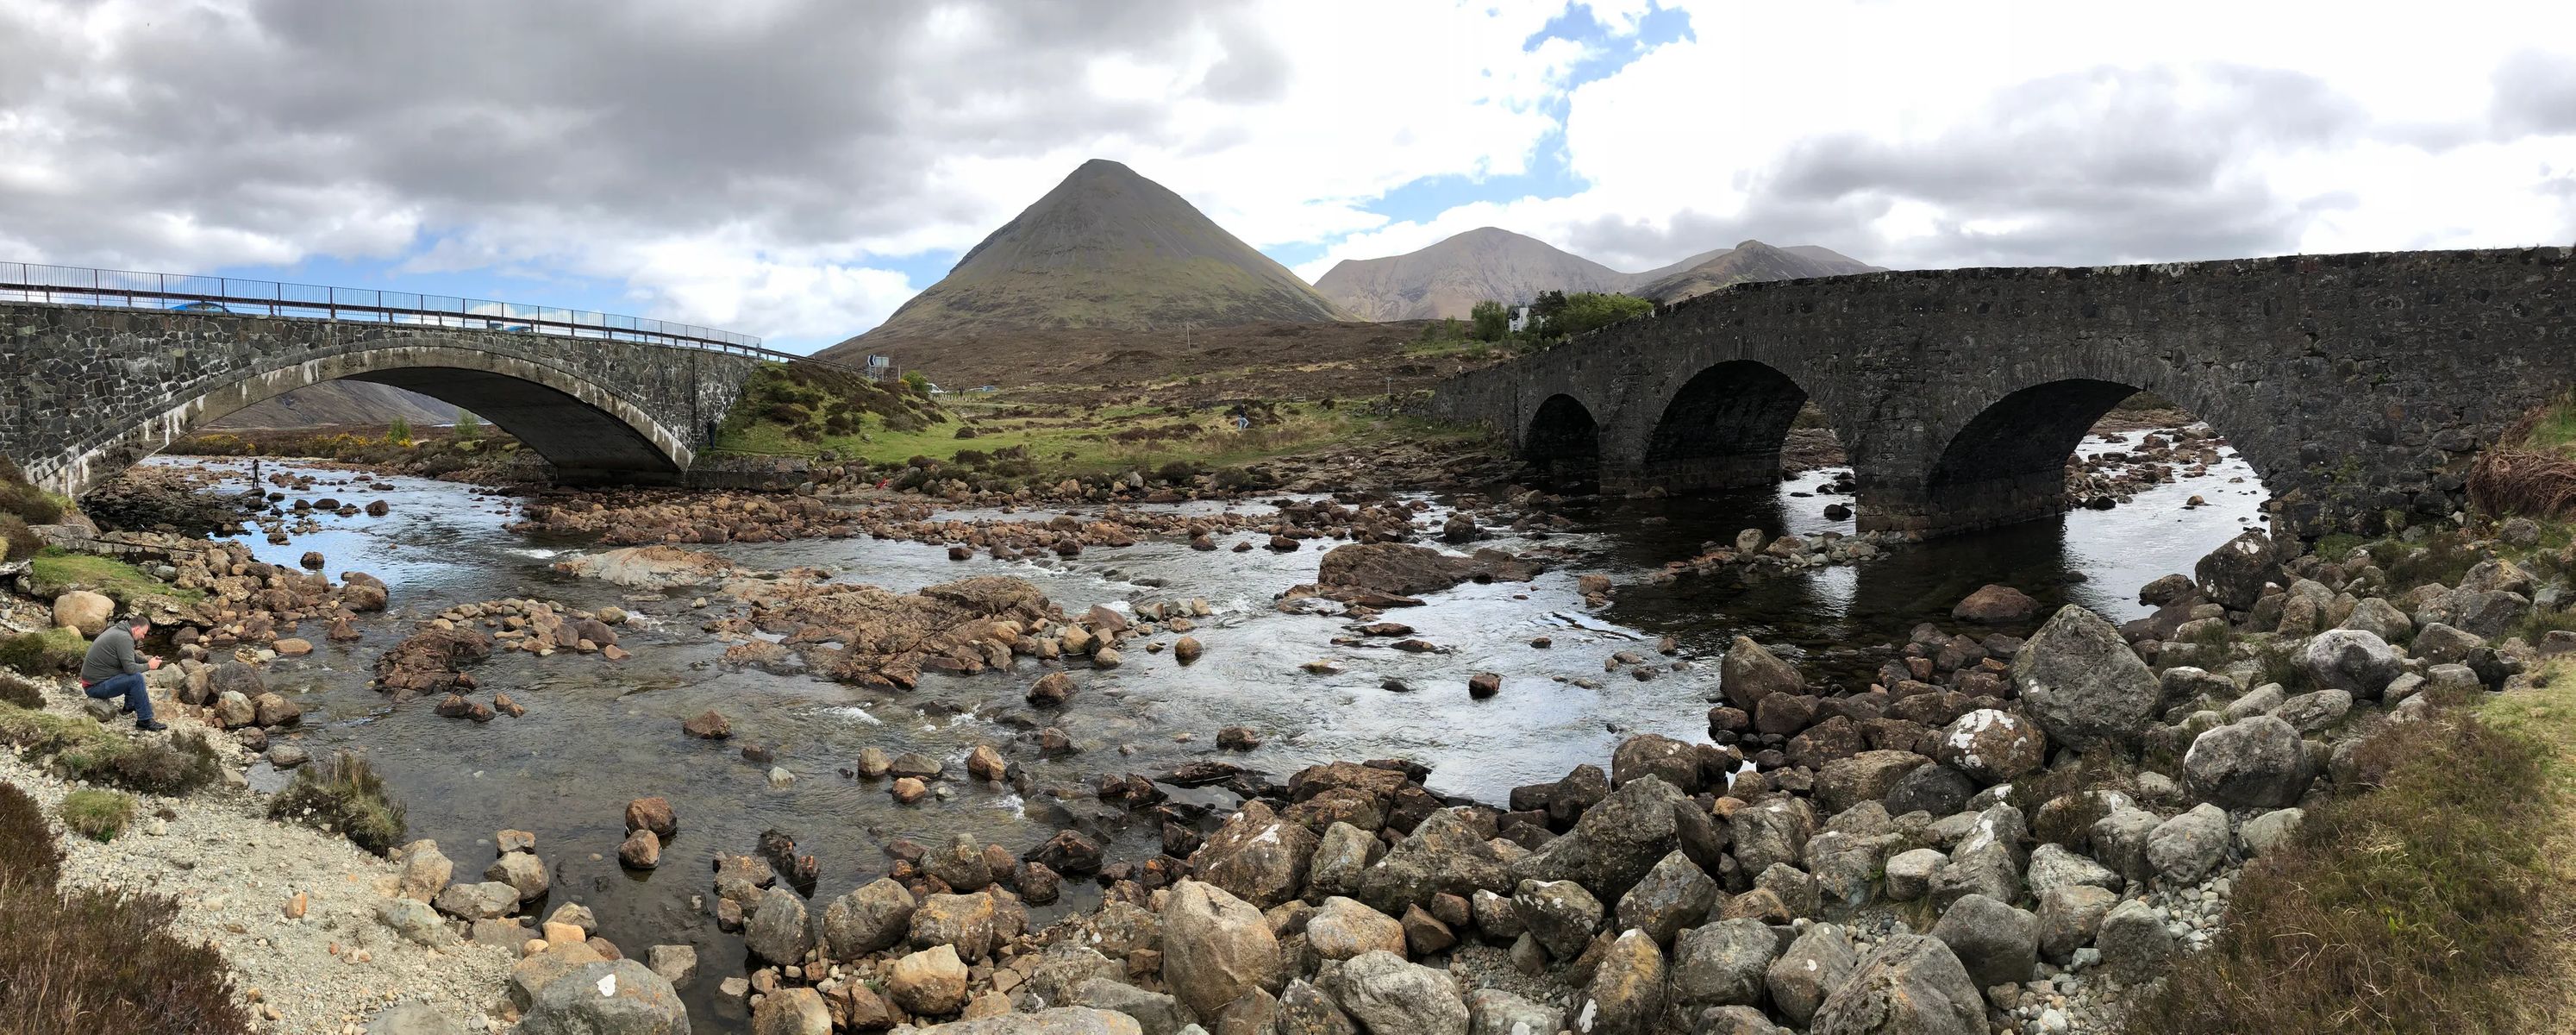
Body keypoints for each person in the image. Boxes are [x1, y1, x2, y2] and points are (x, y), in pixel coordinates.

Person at [81, 618, 166, 732]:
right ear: (136, 629)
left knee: (131, 673)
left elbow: (131, 657)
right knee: (136, 678)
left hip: (95, 682)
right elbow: (130, 669)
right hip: (94, 687)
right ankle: (145, 720)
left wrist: (148, 661)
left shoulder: (119, 631)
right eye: (143, 633)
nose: (143, 637)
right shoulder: (124, 638)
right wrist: (149, 666)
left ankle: (129, 706)